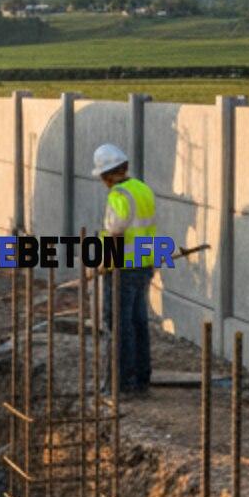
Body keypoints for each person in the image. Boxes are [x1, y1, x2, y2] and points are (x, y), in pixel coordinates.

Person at [94, 142, 157, 396]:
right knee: (138, 323)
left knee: (118, 326)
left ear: (107, 175)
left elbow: (116, 233)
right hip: (144, 265)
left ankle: (121, 384)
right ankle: (141, 379)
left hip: (122, 270)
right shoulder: (143, 189)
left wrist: (105, 263)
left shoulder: (119, 195)